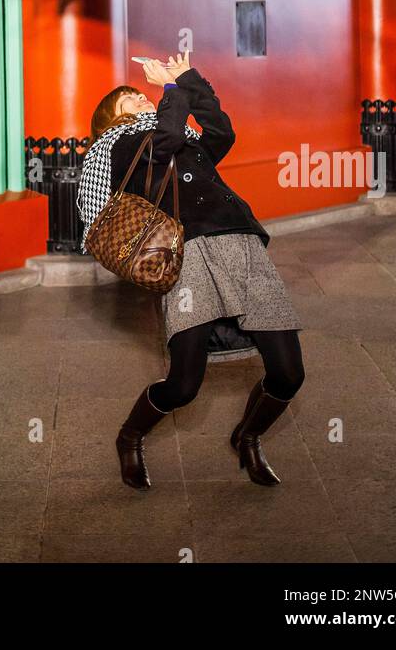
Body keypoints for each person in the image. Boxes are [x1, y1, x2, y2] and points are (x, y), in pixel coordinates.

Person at [78, 54, 304, 489]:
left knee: (289, 372)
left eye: (142, 96)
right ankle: (130, 436)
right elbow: (161, 140)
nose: (141, 102)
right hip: (188, 256)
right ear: (111, 121)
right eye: (130, 102)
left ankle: (249, 435)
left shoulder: (184, 134)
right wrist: (168, 92)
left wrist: (185, 78)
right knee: (183, 384)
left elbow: (221, 130)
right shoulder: (121, 147)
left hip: (241, 244)